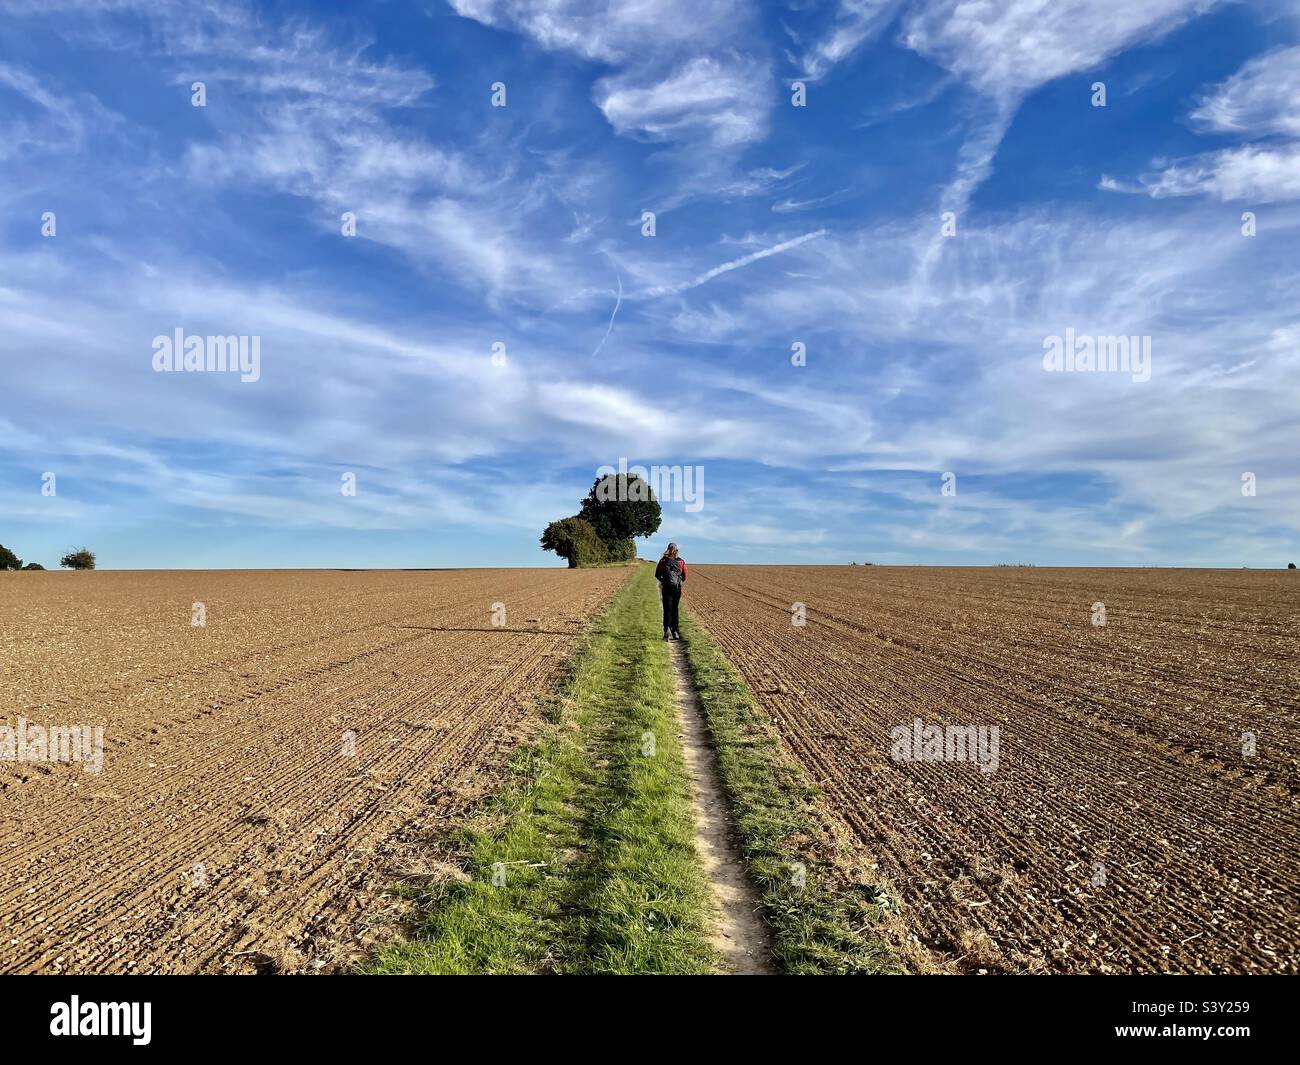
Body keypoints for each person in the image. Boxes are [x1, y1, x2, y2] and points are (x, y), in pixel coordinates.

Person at [655, 543, 687, 640]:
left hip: (666, 588)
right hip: (677, 589)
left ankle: (666, 631)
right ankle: (675, 631)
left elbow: (657, 574)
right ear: (677, 550)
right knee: (675, 609)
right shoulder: (681, 562)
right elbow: (685, 576)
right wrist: (678, 582)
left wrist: (664, 581)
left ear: (668, 549)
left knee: (667, 609)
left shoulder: (663, 561)